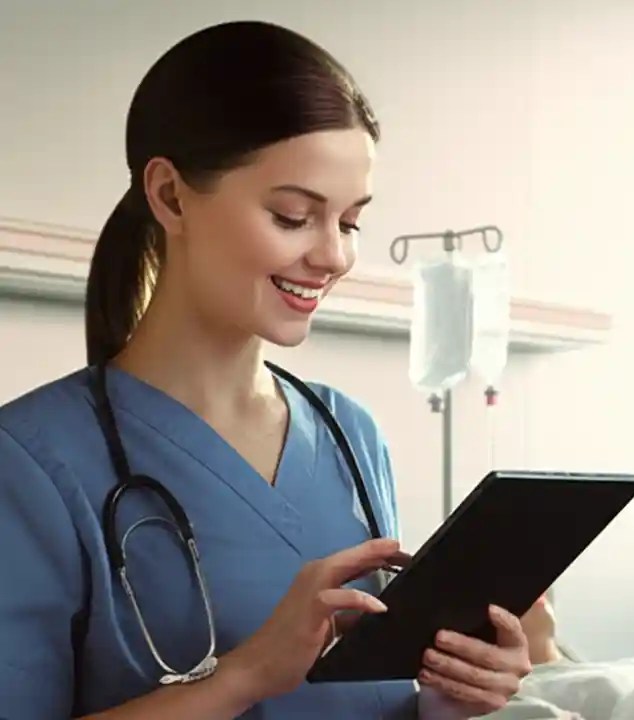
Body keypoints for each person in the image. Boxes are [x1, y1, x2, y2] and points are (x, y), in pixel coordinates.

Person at [0, 21, 532, 719]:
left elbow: (370, 700)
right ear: (170, 195)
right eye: (293, 216)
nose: (335, 257)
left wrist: (451, 695)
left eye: (349, 223)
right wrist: (242, 677)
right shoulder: (33, 461)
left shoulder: (350, 433)